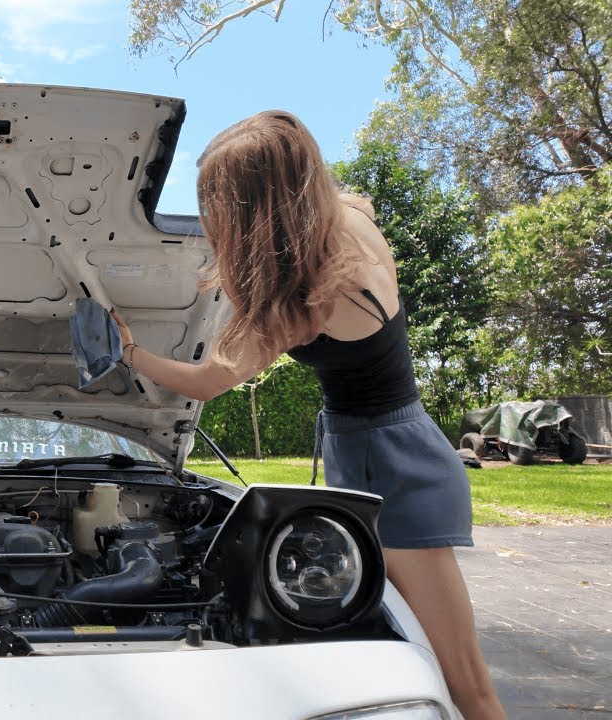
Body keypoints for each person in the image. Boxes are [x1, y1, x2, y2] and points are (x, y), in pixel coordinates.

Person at [112, 111, 507, 720]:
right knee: (394, 646)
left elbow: (207, 380)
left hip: (394, 471)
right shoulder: (345, 223)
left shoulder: (319, 297)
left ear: (254, 209)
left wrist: (131, 350)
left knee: (463, 678)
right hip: (386, 450)